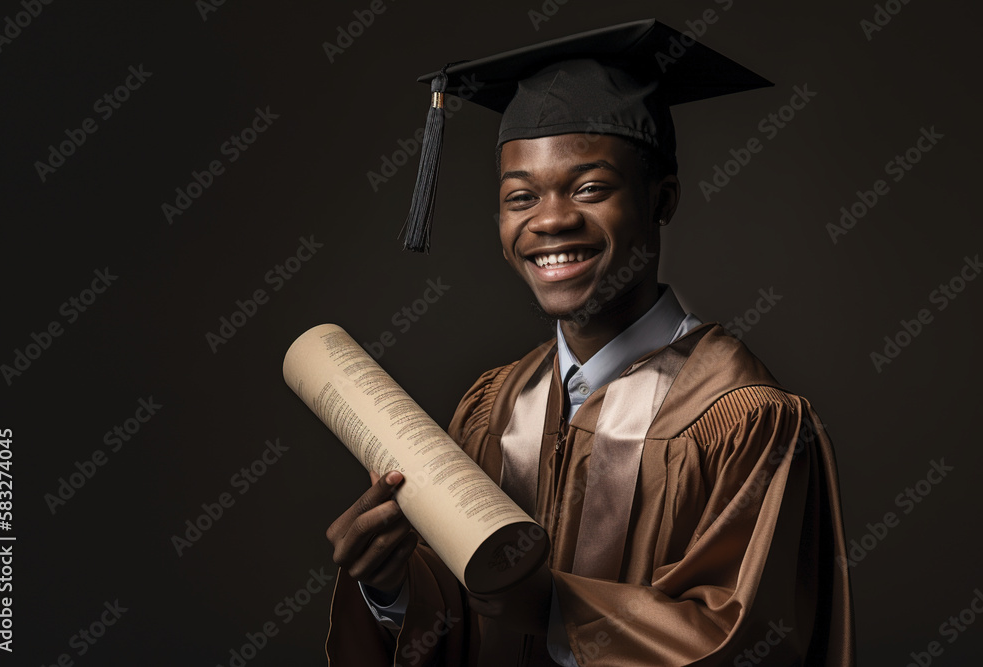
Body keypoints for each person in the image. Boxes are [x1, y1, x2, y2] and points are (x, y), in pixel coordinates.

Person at [325, 19, 856, 666]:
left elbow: (748, 643)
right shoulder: (492, 407)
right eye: (520, 196)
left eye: (589, 188)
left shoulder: (745, 422)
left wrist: (550, 606)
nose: (549, 219)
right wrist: (390, 586)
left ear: (661, 199)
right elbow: (458, 624)